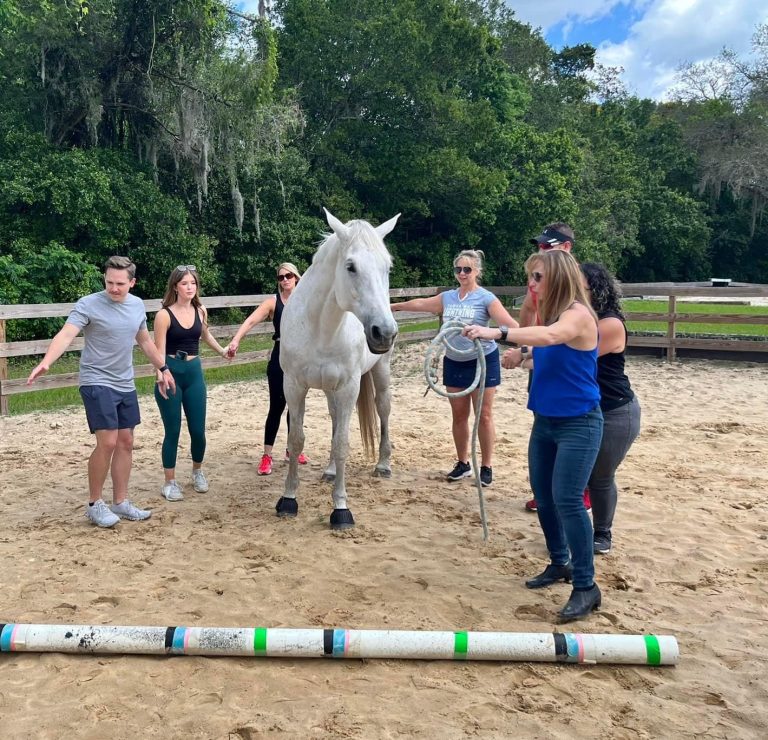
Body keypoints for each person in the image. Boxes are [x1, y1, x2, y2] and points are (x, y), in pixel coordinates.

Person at [464, 249, 603, 622]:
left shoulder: (576, 314)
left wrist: (501, 333)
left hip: (580, 423)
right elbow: (550, 349)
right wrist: (522, 356)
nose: (531, 284)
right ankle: (559, 562)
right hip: (546, 421)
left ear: (558, 276)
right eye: (530, 277)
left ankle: (586, 586)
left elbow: (554, 336)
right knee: (544, 496)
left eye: (538, 277)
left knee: (568, 500)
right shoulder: (552, 314)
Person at [26, 256, 176, 528]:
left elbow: (144, 341)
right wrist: (47, 361)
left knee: (126, 441)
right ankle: (95, 504)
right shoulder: (88, 304)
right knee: (107, 442)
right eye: (109, 282)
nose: (114, 288)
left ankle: (121, 501)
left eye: (120, 283)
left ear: (132, 282)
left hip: (124, 382)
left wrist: (163, 368)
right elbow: (66, 334)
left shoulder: (136, 305)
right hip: (96, 380)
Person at [390, 249, 518, 487]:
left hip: (482, 360)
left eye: (467, 269)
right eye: (458, 269)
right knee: (459, 415)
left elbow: (509, 325)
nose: (462, 273)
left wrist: (524, 343)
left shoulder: (486, 298)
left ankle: (487, 466)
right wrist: (394, 307)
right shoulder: (448, 297)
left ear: (477, 271)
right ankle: (463, 463)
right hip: (454, 360)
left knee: (484, 414)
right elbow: (422, 304)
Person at [518, 222, 591, 514]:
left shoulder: (576, 281)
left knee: (574, 428)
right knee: (543, 420)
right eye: (541, 246)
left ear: (567, 247)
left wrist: (509, 336)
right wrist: (525, 342)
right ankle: (544, 490)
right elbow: (527, 309)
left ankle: (578, 490)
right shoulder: (539, 278)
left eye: (548, 246)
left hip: (569, 357)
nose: (542, 250)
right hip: (543, 355)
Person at [152, 265, 231, 501]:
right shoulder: (164, 315)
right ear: (175, 286)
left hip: (194, 373)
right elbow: (158, 349)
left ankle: (197, 471)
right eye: (185, 283)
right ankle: (170, 482)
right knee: (173, 430)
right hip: (171, 373)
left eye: (193, 283)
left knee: (198, 430)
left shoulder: (200, 310)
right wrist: (160, 374)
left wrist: (222, 351)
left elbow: (205, 336)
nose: (190, 287)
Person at [581, 262, 641, 555]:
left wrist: (522, 349)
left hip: (615, 411)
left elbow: (572, 351)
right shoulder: (576, 317)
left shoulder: (610, 324)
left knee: (600, 475)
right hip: (586, 409)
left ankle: (602, 532)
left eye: (578, 285)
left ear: (595, 289)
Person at [226, 262, 308, 476]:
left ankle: (293, 449)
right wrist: (236, 340)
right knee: (276, 406)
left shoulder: (306, 299)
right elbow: (252, 320)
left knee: (296, 407)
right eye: (280, 277)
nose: (285, 280)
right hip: (280, 356)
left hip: (301, 358)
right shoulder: (273, 302)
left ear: (296, 277)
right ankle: (267, 455)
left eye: (288, 275)